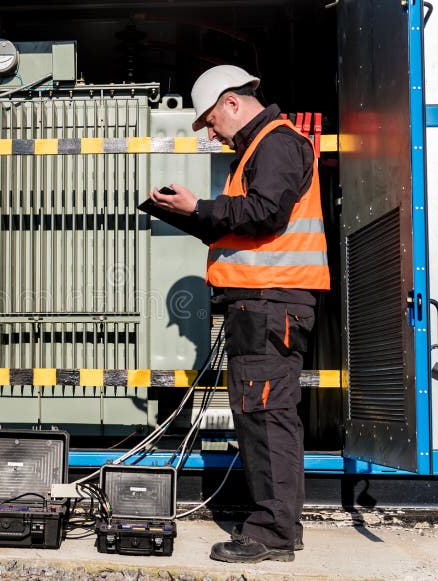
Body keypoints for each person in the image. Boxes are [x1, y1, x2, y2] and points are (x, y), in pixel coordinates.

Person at [148, 65, 330, 563]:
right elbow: (246, 228)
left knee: (267, 415)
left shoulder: (274, 142)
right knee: (262, 413)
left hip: (273, 300)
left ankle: (272, 534)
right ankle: (276, 527)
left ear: (232, 102)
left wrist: (201, 206)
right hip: (265, 302)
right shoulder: (260, 147)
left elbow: (265, 212)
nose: (210, 132)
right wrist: (189, 214)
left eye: (209, 121)